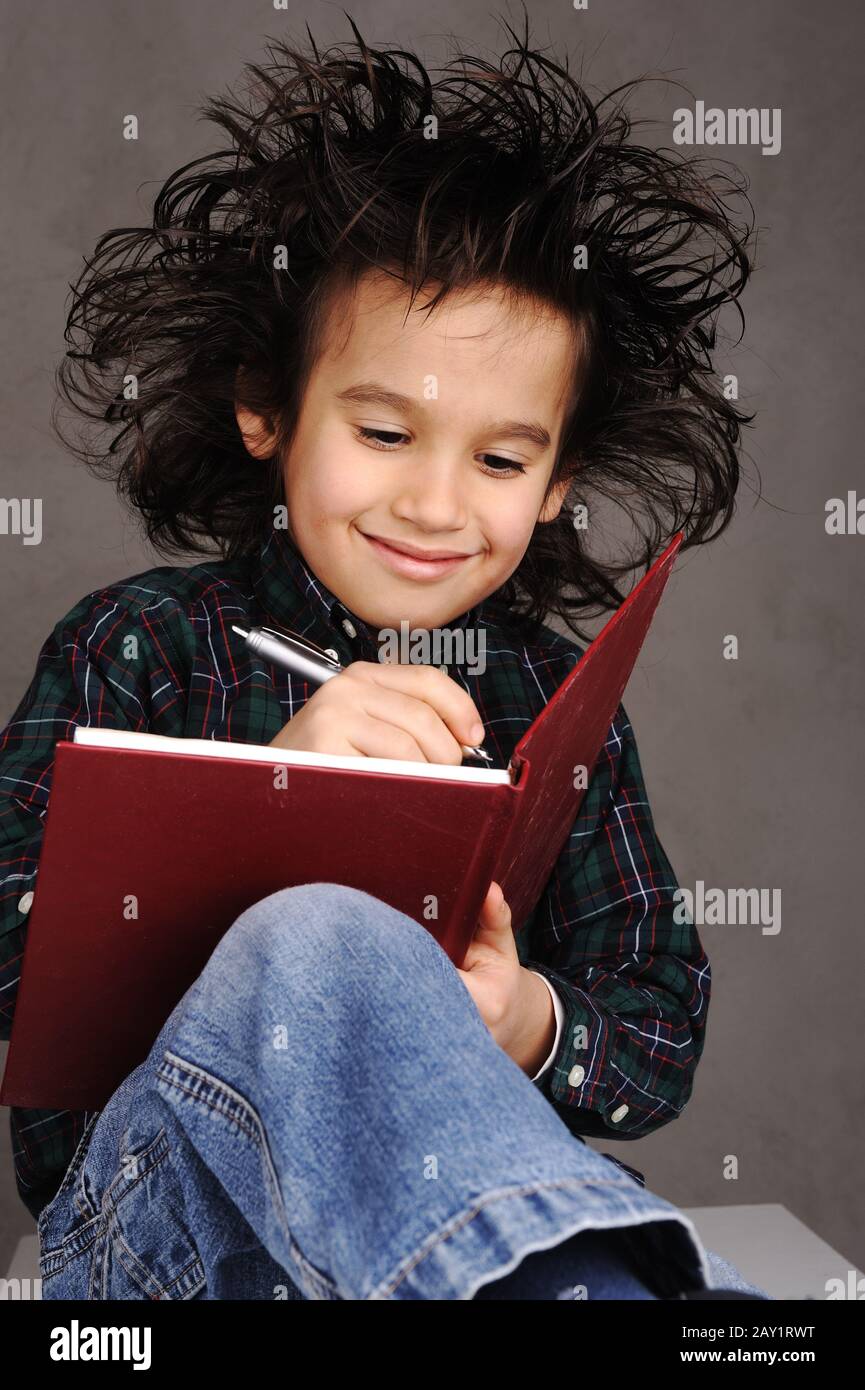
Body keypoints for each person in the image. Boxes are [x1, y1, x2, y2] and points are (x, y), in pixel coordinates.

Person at [0, 18, 768, 1299]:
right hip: (163, 1236)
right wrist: (266, 802)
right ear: (267, 408)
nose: (434, 502)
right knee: (320, 931)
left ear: (557, 480)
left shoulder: (546, 704)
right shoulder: (135, 644)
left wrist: (526, 1023)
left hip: (447, 1222)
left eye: (501, 459)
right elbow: (15, 979)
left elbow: (658, 1026)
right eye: (383, 429)